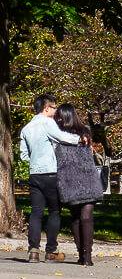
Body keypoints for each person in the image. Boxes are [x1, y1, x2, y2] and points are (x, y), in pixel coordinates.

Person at [19, 93, 81, 263]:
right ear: (47, 108)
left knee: (36, 212)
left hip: (35, 174)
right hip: (51, 173)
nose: (55, 110)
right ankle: (51, 250)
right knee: (54, 211)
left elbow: (24, 155)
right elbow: (62, 137)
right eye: (54, 107)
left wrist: (36, 159)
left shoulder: (26, 128)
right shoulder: (47, 123)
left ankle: (33, 249)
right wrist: (80, 139)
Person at [53, 104, 104, 266]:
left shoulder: (81, 132)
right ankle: (82, 254)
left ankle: (87, 255)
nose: (57, 118)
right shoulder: (60, 133)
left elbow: (87, 153)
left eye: (60, 115)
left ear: (66, 116)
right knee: (78, 217)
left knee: (83, 216)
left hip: (81, 178)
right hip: (73, 179)